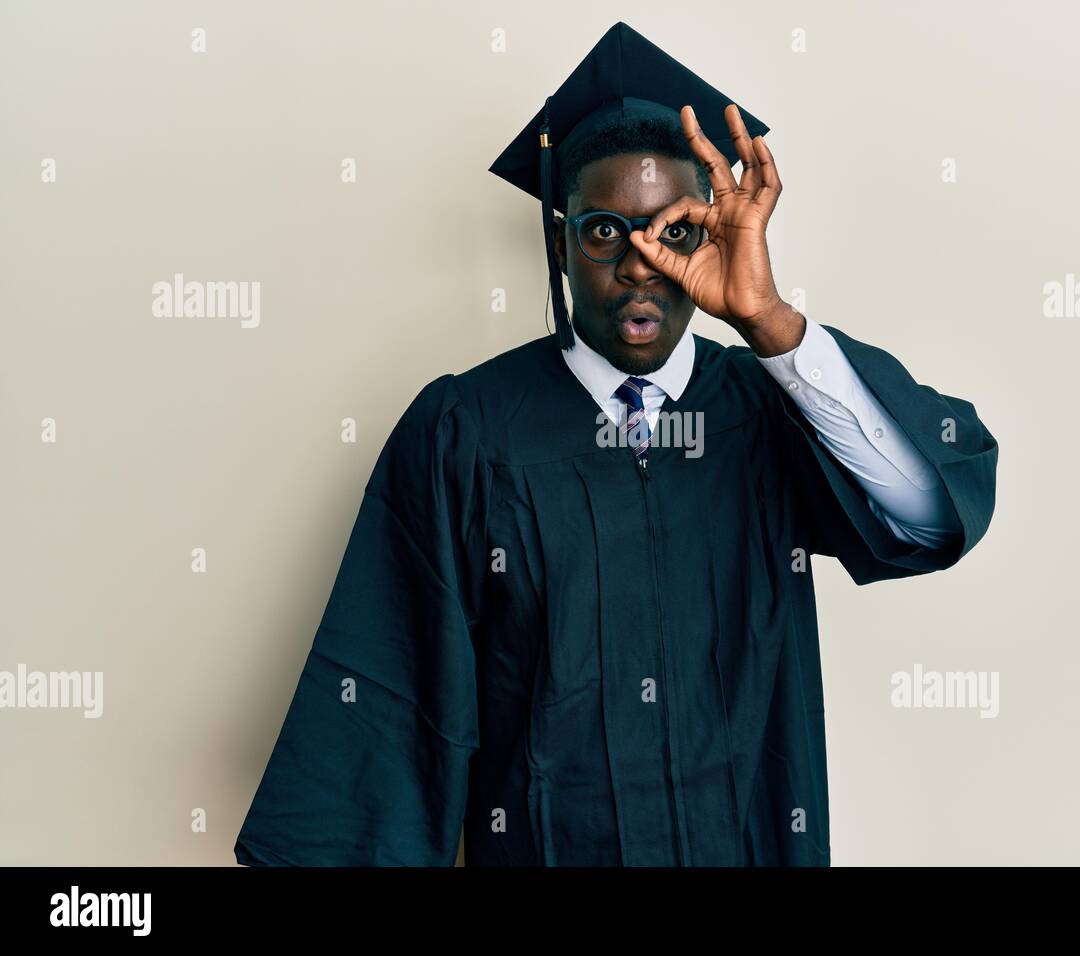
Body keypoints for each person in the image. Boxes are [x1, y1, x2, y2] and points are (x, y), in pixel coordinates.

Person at [234, 21, 998, 867]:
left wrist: (769, 323)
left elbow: (927, 521)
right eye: (604, 231)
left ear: (711, 239)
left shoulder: (767, 406)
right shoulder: (468, 429)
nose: (640, 263)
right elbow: (390, 694)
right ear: (560, 246)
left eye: (675, 231)